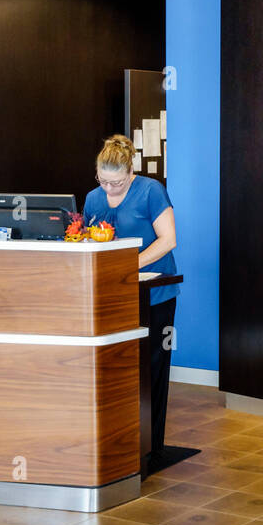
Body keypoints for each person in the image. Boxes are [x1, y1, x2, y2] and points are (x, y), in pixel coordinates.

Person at [84, 135, 179, 473]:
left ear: (130, 172)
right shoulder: (93, 199)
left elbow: (169, 240)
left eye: (118, 182)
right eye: (104, 181)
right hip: (116, 297)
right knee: (120, 369)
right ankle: (123, 441)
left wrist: (130, 264)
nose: (110, 189)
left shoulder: (151, 192)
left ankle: (152, 446)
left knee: (151, 368)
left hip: (156, 294)